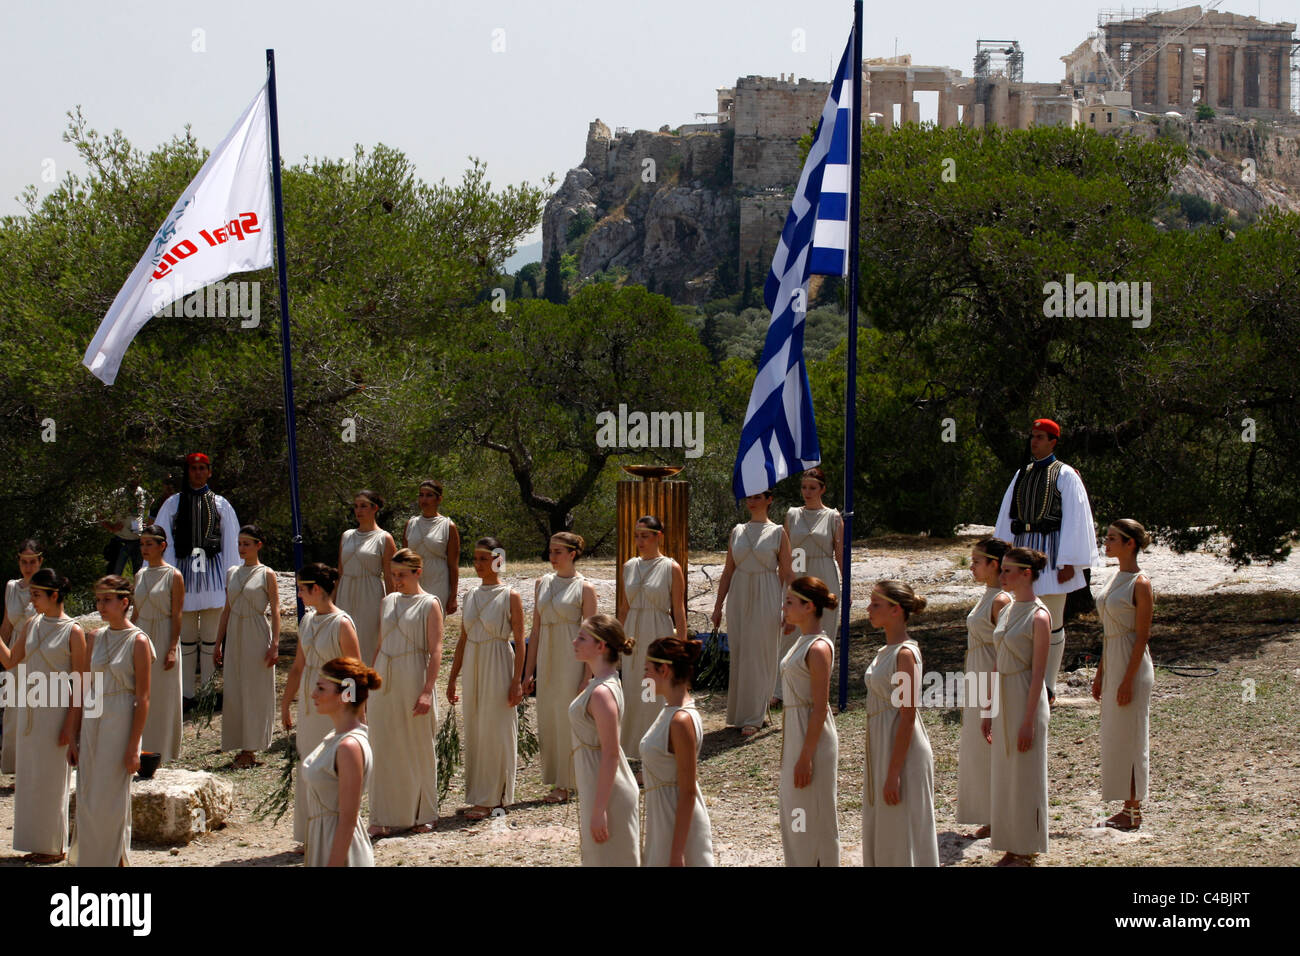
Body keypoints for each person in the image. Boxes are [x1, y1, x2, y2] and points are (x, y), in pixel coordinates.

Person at [994, 419, 1097, 705]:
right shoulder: (1022, 474)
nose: (1034, 442)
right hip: (1025, 549)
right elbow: (1008, 515)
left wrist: (1069, 561)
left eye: (1040, 437)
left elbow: (1076, 519)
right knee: (1024, 618)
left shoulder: (1065, 474)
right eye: (1033, 437)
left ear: (1053, 441)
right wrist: (1003, 555)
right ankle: (1026, 679)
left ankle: (1048, 686)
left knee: (1052, 620)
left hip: (1052, 554)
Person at [0, 568, 84, 862]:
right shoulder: (32, 624)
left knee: (52, 780)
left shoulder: (73, 631)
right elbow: (11, 661)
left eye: (36, 595)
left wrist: (71, 727)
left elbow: (81, 683)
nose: (31, 600)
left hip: (57, 713)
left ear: (54, 595)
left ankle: (55, 847)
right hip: (30, 710)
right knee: (30, 777)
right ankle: (36, 843)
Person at [70, 576, 154, 867]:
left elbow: (143, 698)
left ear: (124, 603)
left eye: (107, 600)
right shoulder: (94, 637)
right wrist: (73, 733)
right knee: (89, 793)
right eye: (98, 600)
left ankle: (115, 860)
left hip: (121, 718)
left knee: (111, 795)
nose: (100, 606)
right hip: (94, 717)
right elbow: (81, 688)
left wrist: (134, 747)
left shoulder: (139, 641)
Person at [282, 563, 361, 847]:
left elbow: (354, 672)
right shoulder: (307, 621)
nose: (300, 594)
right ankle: (310, 834)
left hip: (336, 704)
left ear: (316, 588)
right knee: (309, 763)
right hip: (309, 701)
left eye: (303, 589)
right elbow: (298, 667)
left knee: (332, 766)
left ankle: (337, 834)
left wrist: (356, 717)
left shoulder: (342, 623)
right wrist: (285, 703)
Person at [861, 580, 939, 867]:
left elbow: (908, 715)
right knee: (886, 823)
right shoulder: (886, 650)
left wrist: (894, 772)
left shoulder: (906, 654)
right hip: (882, 741)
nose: (868, 609)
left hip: (902, 749)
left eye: (875, 604)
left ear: (895, 610)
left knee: (902, 822)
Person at [446, 537, 524, 820]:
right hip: (474, 663)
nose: (478, 564)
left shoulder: (510, 596)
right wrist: (453, 677)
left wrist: (517, 681)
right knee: (477, 728)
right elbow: (463, 639)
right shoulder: (470, 596)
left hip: (498, 660)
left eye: (484, 558)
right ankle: (480, 794)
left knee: (496, 727)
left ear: (498, 560)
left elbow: (520, 640)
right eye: (475, 558)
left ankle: (496, 797)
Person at [369, 548, 443, 837]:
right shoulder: (387, 601)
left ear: (417, 572)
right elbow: (379, 643)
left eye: (401, 575)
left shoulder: (429, 603)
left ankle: (423, 812)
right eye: (393, 574)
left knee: (417, 744)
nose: (396, 580)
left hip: (413, 673)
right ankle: (382, 814)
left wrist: (427, 690)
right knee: (383, 743)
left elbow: (436, 650)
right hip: (384, 675)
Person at [155, 452, 240, 701]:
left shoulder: (221, 503)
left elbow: (230, 542)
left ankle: (208, 692)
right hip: (184, 574)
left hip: (213, 577)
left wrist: (231, 579)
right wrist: (167, 573)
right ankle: (186, 694)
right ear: (187, 471)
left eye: (203, 468)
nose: (198, 472)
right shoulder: (173, 503)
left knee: (211, 639)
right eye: (194, 468)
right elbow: (163, 539)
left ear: (209, 472)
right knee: (187, 639)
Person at [988, 547, 1052, 866]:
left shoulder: (1039, 616)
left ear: (1026, 574)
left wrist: (1028, 721)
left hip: (1026, 696)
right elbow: (999, 662)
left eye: (1008, 571)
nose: (1002, 577)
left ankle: (1026, 848)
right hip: (1003, 696)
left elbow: (1039, 673)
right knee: (1005, 772)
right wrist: (988, 708)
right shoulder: (1008, 609)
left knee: (1025, 773)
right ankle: (1011, 843)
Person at [712, 490, 792, 737]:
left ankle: (755, 715)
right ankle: (740, 713)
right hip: (739, 592)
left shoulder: (778, 532)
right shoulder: (737, 531)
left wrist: (787, 607)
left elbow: (788, 573)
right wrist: (717, 607)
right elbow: (727, 571)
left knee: (759, 652)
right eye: (749, 497)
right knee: (741, 652)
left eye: (758, 497)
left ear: (770, 500)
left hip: (767, 591)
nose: (752, 502)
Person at [1092, 519, 1155, 831]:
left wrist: (1128, 679)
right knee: (1116, 734)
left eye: (1113, 538)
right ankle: (1126, 805)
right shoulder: (1115, 577)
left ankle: (1133, 810)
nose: (1107, 542)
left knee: (1132, 735)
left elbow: (1141, 635)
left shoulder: (1140, 584)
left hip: (1133, 663)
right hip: (1114, 659)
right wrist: (1101, 673)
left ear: (1130, 543)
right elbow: (1109, 632)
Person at [523, 532, 595, 804]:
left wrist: (587, 676)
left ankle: (570, 782)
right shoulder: (542, 583)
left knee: (568, 718)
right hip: (547, 657)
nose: (552, 557)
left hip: (572, 658)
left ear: (572, 554)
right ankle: (557, 778)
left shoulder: (585, 588)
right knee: (549, 717)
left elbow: (592, 634)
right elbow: (536, 631)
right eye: (550, 552)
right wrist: (529, 672)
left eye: (558, 552)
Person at [777, 576, 840, 867]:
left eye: (790, 602)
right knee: (795, 809)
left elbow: (819, 706)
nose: (784, 607)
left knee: (813, 811)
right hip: (795, 731)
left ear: (809, 606)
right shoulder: (801, 641)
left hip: (811, 736)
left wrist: (805, 757)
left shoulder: (818, 648)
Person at [569, 614, 640, 866]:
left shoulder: (601, 693)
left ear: (601, 646)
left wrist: (599, 810)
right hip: (598, 786)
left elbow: (610, 752)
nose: (574, 642)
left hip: (609, 794)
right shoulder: (599, 683)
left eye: (581, 637)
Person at [617, 515, 686, 760]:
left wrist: (682, 650)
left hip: (658, 630)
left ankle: (658, 747)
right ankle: (632, 748)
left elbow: (678, 609)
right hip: (633, 632)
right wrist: (616, 640)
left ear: (659, 536)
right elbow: (624, 607)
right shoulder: (628, 566)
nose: (640, 541)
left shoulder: (671, 567)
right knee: (635, 688)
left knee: (655, 689)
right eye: (637, 536)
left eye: (645, 536)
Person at [641, 636, 714, 867]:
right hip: (663, 819)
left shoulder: (680, 720)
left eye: (647, 670)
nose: (644, 677)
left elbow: (688, 790)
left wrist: (677, 853)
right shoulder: (668, 711)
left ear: (664, 670)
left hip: (676, 823)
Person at [956, 537, 1012, 839]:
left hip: (990, 675)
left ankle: (999, 815)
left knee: (991, 743)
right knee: (978, 745)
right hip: (976, 673)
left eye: (978, 561)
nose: (972, 566)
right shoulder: (988, 595)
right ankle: (990, 812)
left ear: (995, 564)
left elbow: (1005, 649)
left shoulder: (1001, 600)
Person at [301, 657, 379, 867]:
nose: (313, 694)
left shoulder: (348, 747)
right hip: (323, 840)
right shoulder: (334, 740)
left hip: (341, 851)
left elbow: (348, 820)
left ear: (345, 694)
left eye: (321, 688)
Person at [214, 525, 280, 769]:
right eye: (239, 543)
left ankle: (251, 748)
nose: (242, 548)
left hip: (256, 631)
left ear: (258, 545)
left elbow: (274, 610)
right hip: (235, 633)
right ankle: (239, 742)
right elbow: (226, 610)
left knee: (255, 688)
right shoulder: (232, 572)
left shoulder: (266, 574)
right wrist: (218, 642)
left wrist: (274, 644)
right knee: (235, 686)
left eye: (247, 544)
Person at [779, 468, 844, 702]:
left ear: (822, 489)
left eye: (812, 488)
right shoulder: (792, 514)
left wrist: (848, 586)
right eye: (804, 487)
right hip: (797, 573)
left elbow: (839, 555)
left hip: (824, 574)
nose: (807, 492)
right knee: (790, 628)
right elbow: (784, 552)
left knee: (823, 628)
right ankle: (781, 689)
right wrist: (783, 580)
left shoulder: (833, 517)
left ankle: (819, 686)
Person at [130, 525, 184, 763]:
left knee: (162, 694)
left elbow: (177, 614)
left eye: (149, 544)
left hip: (163, 635)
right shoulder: (140, 575)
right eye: (142, 544)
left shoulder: (173, 575)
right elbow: (135, 611)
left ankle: (162, 751)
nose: (144, 548)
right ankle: (139, 747)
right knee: (139, 692)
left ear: (162, 546)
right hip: (141, 632)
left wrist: (172, 648)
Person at [336, 490, 395, 666]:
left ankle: (369, 689)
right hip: (345, 592)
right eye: (356, 506)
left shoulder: (384, 538)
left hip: (370, 595)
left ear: (374, 508)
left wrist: (391, 609)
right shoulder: (346, 536)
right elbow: (339, 572)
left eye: (363, 506)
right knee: (343, 642)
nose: (358, 510)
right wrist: (330, 603)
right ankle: (347, 691)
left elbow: (391, 578)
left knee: (367, 643)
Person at [1, 539, 43, 774]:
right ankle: (14, 765)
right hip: (14, 651)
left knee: (34, 708)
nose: (28, 567)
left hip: (37, 650)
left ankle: (32, 767)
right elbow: (7, 623)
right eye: (24, 562)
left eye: (32, 562)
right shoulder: (11, 587)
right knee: (13, 711)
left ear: (40, 561)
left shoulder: (47, 585)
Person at [402, 480, 460, 614]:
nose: (424, 499)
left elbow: (453, 565)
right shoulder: (410, 524)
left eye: (429, 495)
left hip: (438, 580)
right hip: (414, 579)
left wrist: (453, 596)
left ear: (439, 499)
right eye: (421, 495)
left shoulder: (448, 526)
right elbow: (404, 560)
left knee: (433, 624)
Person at [98, 467, 149, 575]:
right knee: (116, 574)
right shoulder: (118, 494)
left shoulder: (142, 493)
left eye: (136, 476)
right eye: (131, 476)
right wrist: (111, 527)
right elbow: (99, 512)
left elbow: (148, 511)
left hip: (139, 541)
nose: (134, 479)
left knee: (140, 575)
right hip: (122, 541)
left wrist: (145, 525)